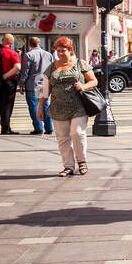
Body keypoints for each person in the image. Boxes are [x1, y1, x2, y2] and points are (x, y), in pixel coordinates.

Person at [41, 37, 97, 176]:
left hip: (78, 106)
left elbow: (94, 81)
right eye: (58, 51)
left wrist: (83, 86)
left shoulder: (80, 64)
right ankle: (68, 166)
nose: (60, 53)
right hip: (58, 107)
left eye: (63, 51)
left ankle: (82, 161)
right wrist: (39, 107)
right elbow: (45, 89)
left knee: (77, 133)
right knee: (63, 138)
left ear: (70, 50)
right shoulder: (52, 67)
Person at [18, 36, 55, 136]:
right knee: (45, 105)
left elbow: (25, 72)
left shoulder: (28, 55)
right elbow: (53, 69)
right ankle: (49, 127)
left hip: (32, 83)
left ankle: (38, 128)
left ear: (29, 45)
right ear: (39, 44)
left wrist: (21, 84)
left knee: (34, 106)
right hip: (45, 82)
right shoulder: (48, 55)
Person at [0, 33, 21, 134]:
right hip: (9, 82)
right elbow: (18, 67)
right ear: (11, 43)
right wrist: (6, 75)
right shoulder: (12, 53)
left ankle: (4, 127)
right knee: (8, 106)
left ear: (2, 41)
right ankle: (6, 128)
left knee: (1, 105)